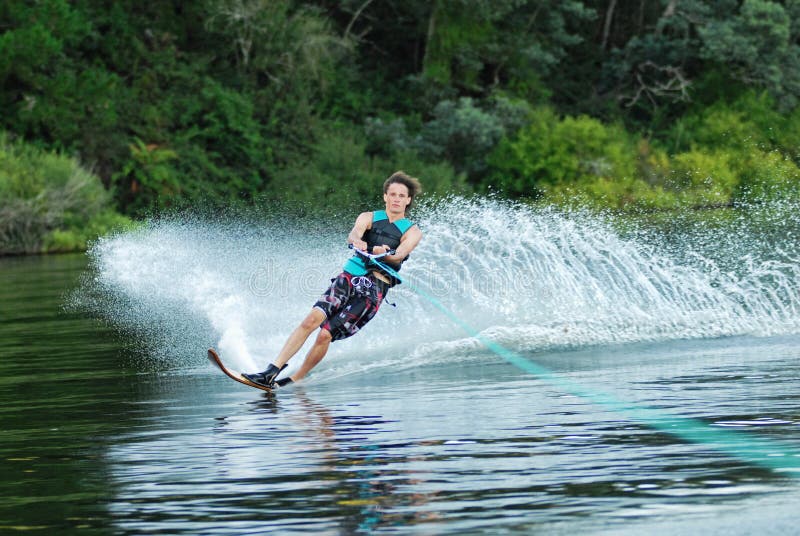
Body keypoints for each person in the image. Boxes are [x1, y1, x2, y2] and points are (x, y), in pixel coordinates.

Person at [243, 171, 424, 388]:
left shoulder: (412, 231)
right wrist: (358, 241)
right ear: (385, 196)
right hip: (348, 277)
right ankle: (270, 372)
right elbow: (354, 234)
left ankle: (296, 377)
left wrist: (382, 252)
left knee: (325, 335)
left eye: (401, 196)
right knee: (310, 320)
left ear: (408, 200)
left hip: (374, 288)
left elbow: (399, 255)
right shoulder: (368, 217)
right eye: (392, 194)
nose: (396, 199)